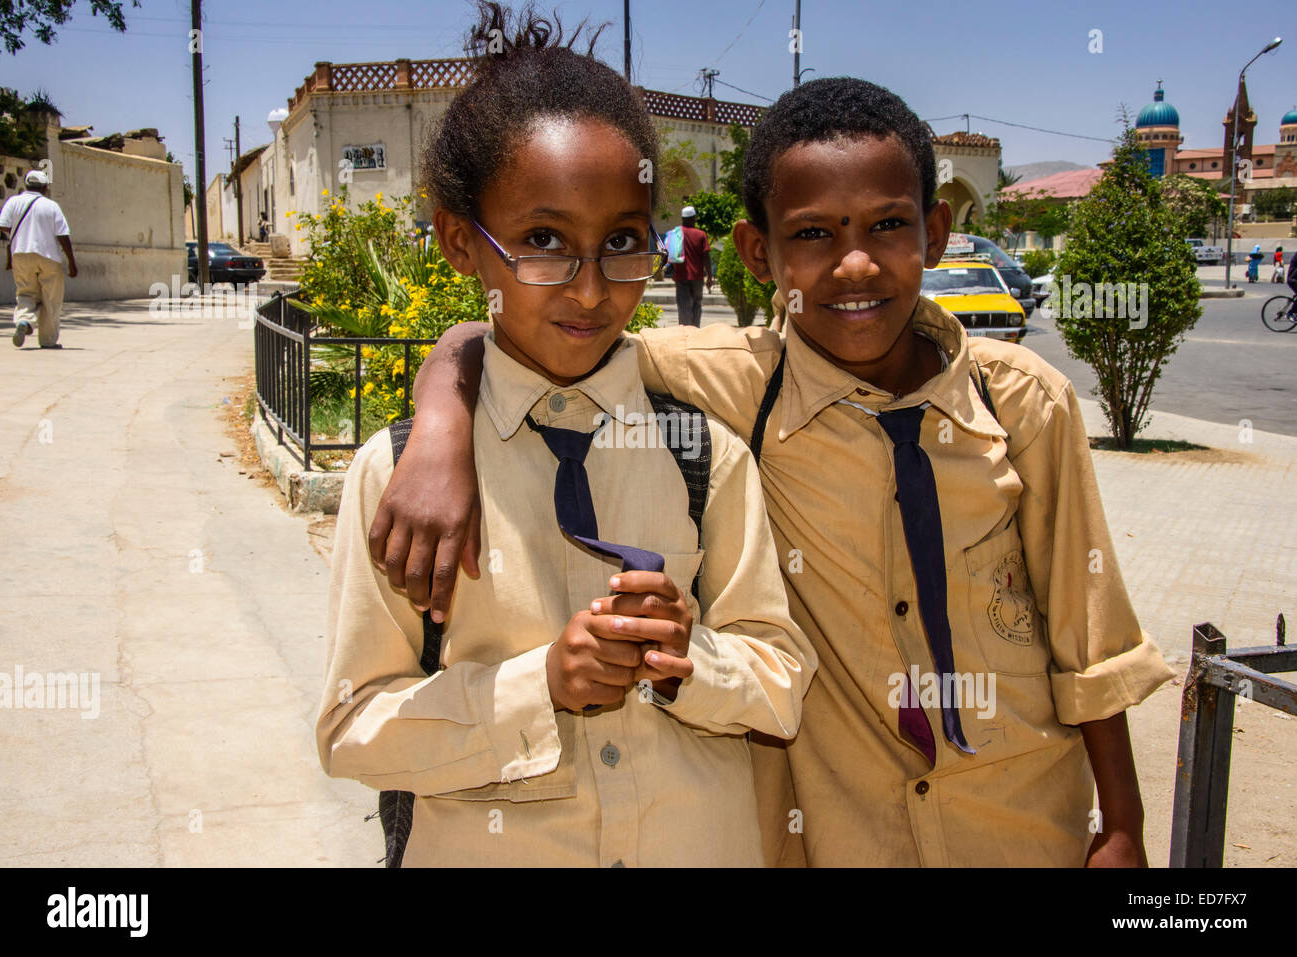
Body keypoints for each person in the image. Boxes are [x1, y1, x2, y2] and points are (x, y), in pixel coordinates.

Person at [369, 76, 1175, 868]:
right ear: (759, 253)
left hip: (1023, 822)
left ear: (934, 230)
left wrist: (1126, 826)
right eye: (814, 234)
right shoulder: (737, 384)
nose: (854, 266)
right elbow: (533, 333)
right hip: (846, 835)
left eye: (888, 225)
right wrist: (442, 416)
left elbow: (1087, 640)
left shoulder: (1022, 401)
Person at [315, 0, 815, 868]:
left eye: (622, 242)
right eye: (542, 241)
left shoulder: (706, 457)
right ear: (459, 243)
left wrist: (686, 657)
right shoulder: (398, 476)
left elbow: (782, 685)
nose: (590, 290)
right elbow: (354, 729)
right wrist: (535, 686)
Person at [0, 169, 76, 349]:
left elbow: (3, 225)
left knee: (26, 293)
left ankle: (24, 321)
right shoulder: (51, 206)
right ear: (44, 187)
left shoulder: (13, 202)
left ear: (26, 185)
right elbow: (63, 235)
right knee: (51, 298)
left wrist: (20, 237)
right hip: (49, 257)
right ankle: (48, 340)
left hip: (20, 254)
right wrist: (72, 262)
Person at [670, 204, 713, 327]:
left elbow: (671, 254)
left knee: (684, 306)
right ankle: (695, 330)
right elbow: (706, 256)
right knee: (697, 305)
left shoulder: (676, 233)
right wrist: (709, 276)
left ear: (683, 219)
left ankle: (685, 332)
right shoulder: (701, 235)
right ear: (694, 218)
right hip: (697, 277)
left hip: (681, 276)